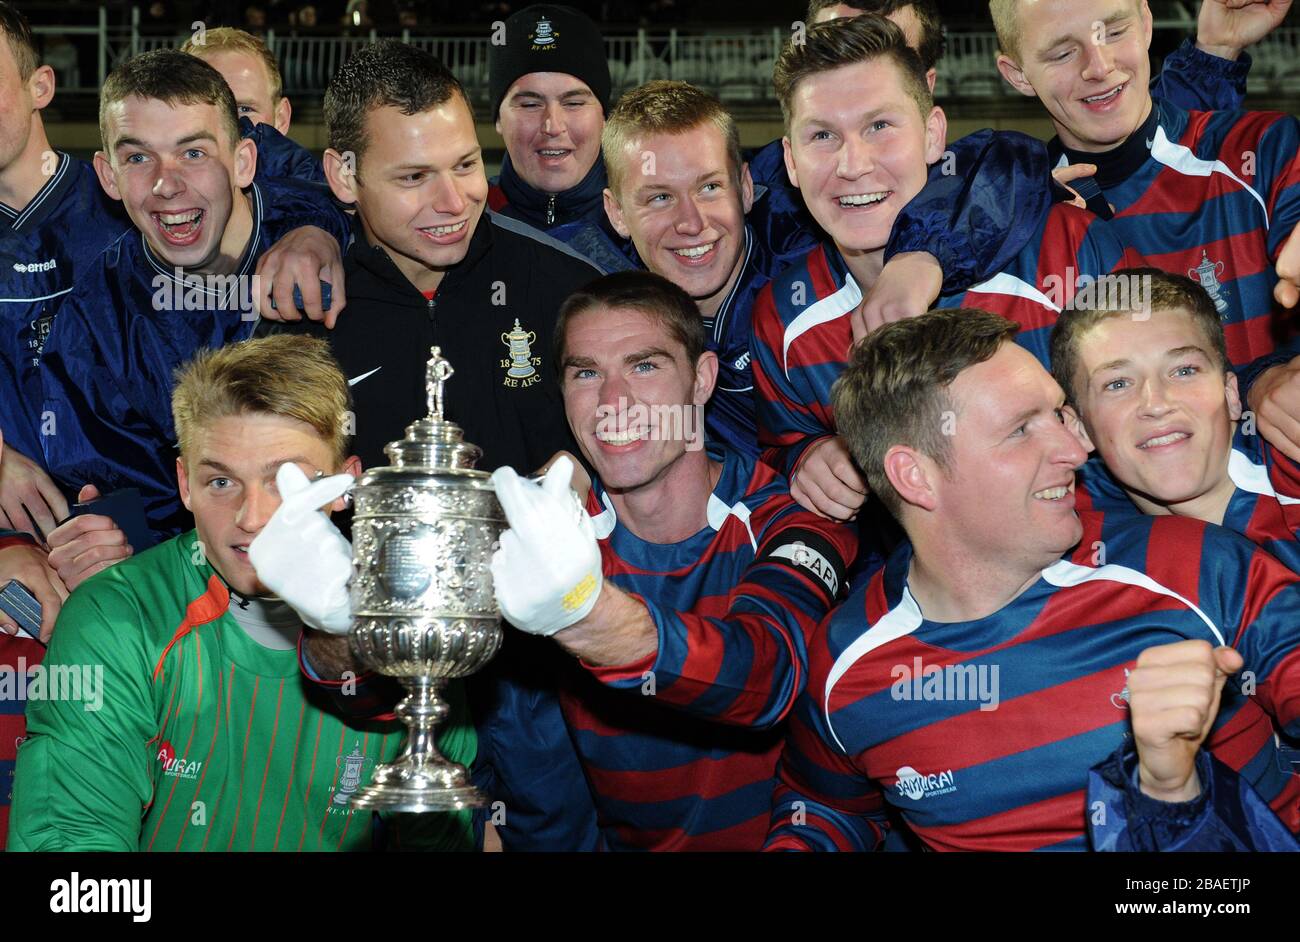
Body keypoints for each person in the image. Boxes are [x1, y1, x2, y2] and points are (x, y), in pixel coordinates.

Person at [260, 271, 858, 850]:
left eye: (645, 366)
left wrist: (585, 613)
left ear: (702, 380)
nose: (614, 401)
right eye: (586, 373)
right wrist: (342, 624)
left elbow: (767, 673)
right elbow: (381, 700)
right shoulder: (537, 527)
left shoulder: (792, 516)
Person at [766, 308, 1300, 851]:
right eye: (1022, 429)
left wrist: (1170, 791)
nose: (1077, 450)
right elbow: (827, 807)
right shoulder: (848, 662)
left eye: (1059, 415)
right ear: (915, 476)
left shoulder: (1195, 568)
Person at [265, 39, 605, 852]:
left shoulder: (563, 288)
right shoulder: (302, 319)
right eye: (413, 177)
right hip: (368, 682)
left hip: (542, 678)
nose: (453, 199)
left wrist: (581, 489)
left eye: (464, 164)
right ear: (344, 179)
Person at [8, 334, 477, 852]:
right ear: (184, 484)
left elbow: (438, 837)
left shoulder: (414, 624)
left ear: (345, 488)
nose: (251, 518)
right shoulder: (116, 618)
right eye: (221, 483)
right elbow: (72, 854)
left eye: (287, 481)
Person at [750, 15, 1134, 524]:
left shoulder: (1068, 249)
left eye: (880, 126)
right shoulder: (782, 319)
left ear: (934, 135)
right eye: (822, 136)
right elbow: (782, 443)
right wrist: (802, 458)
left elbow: (1156, 432)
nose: (852, 164)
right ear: (790, 161)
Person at [1, 48, 352, 550]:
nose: (167, 184)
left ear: (244, 161)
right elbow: (134, 514)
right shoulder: (96, 324)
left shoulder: (338, 240)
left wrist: (322, 227)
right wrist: (120, 553)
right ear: (107, 176)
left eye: (193, 153)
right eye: (138, 158)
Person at [597, 81, 819, 457]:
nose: (691, 222)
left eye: (710, 187)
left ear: (746, 187)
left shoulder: (817, 277)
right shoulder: (596, 306)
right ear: (616, 212)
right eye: (660, 197)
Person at [1051, 268, 1300, 573]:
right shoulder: (1065, 539)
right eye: (1118, 384)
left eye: (1183, 371)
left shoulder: (1291, 463)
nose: (1156, 404)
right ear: (1078, 428)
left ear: (1232, 393)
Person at [487, 4, 612, 232]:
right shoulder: (464, 223)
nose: (553, 126)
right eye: (530, 105)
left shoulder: (648, 223)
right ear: (497, 119)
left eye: (573, 103)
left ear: (604, 116)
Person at [180, 26, 325, 183]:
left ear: (281, 119)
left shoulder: (321, 202)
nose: (226, 126)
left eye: (244, 109)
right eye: (205, 109)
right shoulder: (156, 191)